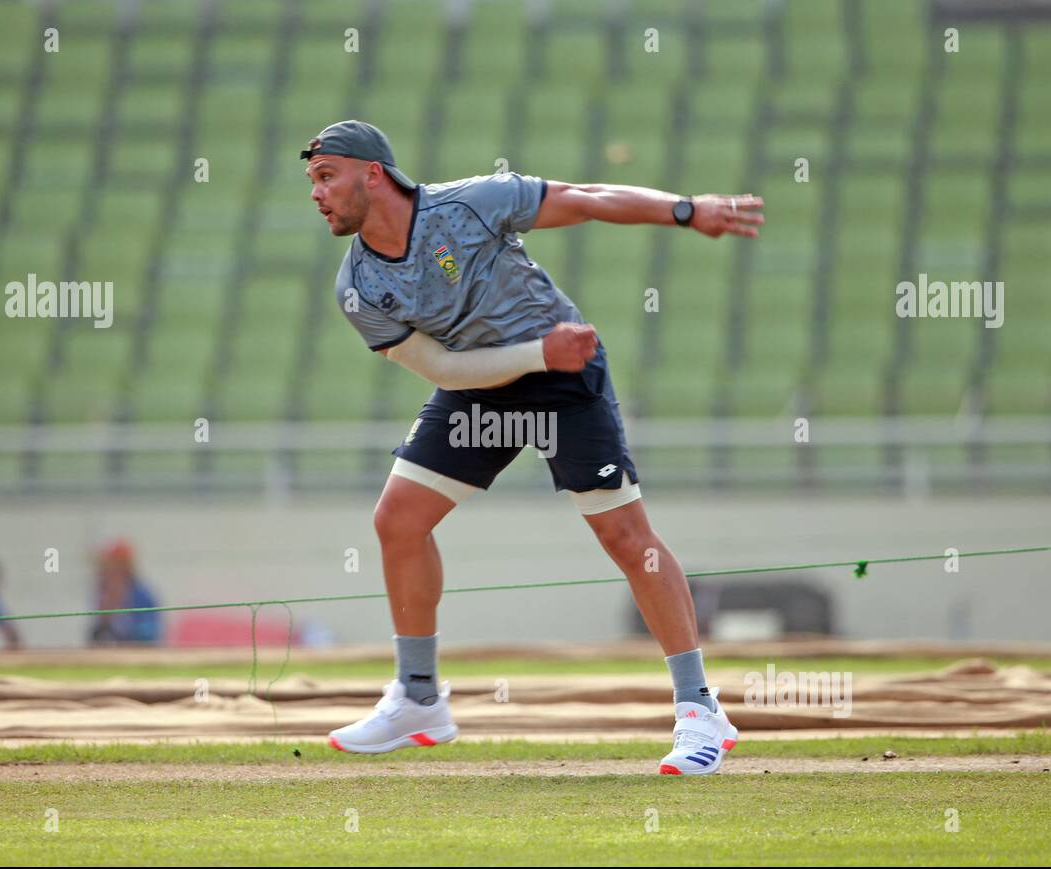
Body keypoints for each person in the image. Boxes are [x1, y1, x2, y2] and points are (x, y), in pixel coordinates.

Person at [303, 120, 764, 774]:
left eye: (327, 176)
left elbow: (587, 197)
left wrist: (687, 212)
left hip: (564, 377)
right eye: (312, 181)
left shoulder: (471, 203)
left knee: (628, 539)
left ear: (372, 174)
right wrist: (529, 354)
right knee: (398, 520)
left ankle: (700, 709)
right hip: (481, 384)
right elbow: (443, 371)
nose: (317, 194)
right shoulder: (357, 286)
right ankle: (419, 699)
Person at [89, 539, 162, 645]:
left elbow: (148, 633)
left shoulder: (142, 594)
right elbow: (97, 635)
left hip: (138, 650)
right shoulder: (103, 592)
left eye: (113, 565)